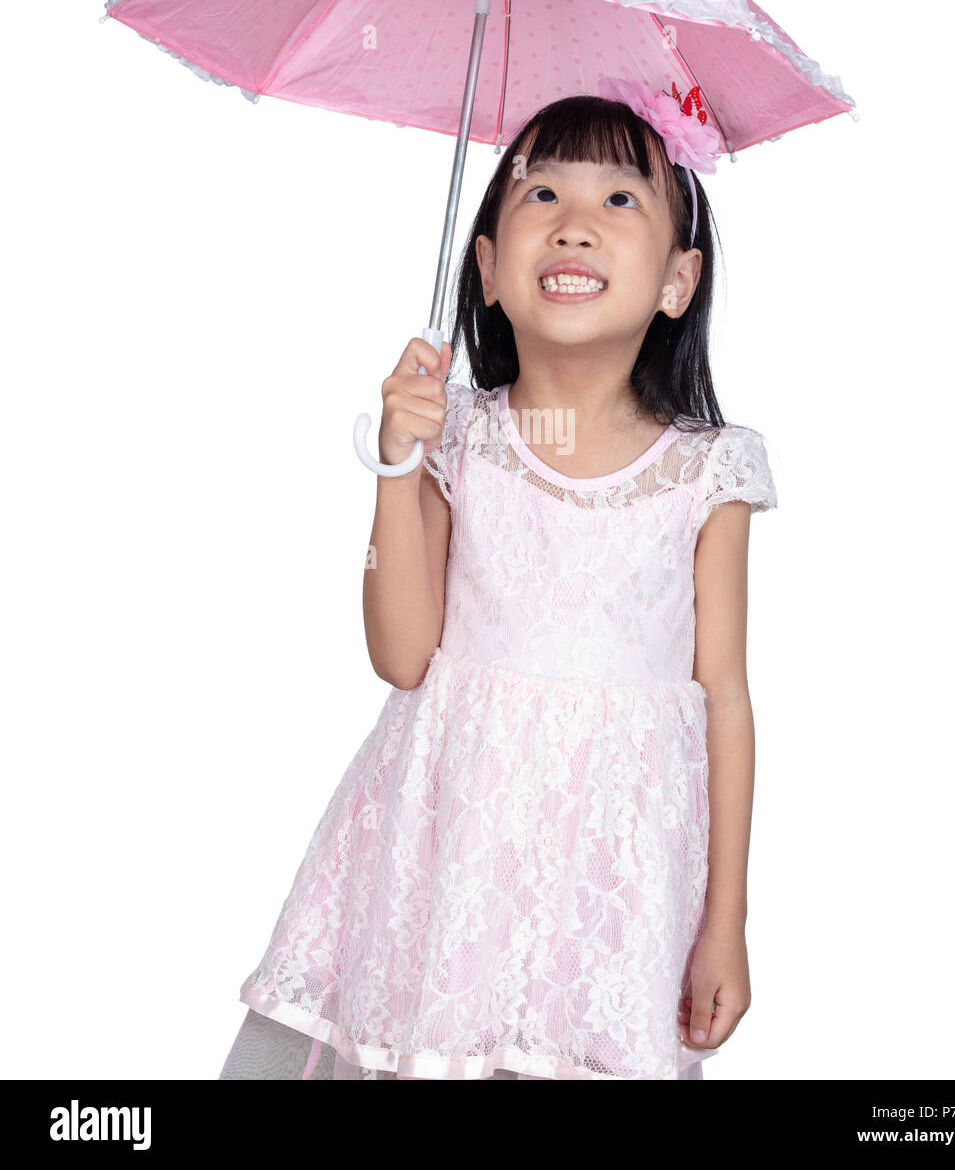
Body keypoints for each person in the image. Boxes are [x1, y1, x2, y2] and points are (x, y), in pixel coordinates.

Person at [219, 78, 778, 1082]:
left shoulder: (707, 470)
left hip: (612, 883)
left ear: (677, 280)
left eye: (619, 201)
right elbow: (399, 656)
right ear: (484, 266)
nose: (572, 228)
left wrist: (725, 920)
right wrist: (398, 463)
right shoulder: (461, 440)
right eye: (539, 196)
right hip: (448, 857)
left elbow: (725, 699)